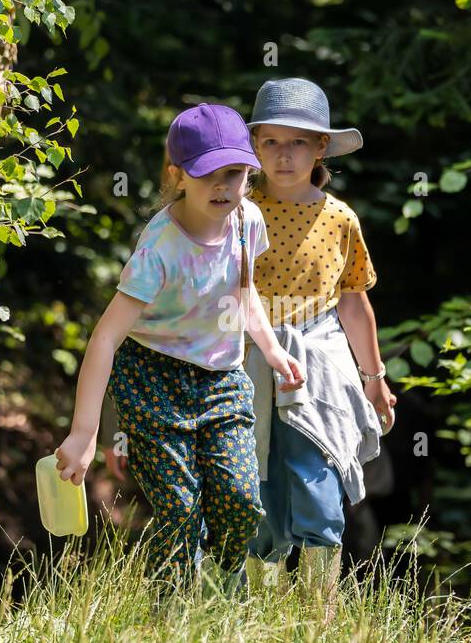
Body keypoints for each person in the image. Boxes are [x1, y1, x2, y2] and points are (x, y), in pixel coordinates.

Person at [53, 103, 304, 596]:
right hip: (152, 378)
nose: (223, 187)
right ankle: (174, 608)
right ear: (178, 175)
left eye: (234, 174)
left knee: (240, 498)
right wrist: (84, 432)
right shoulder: (159, 249)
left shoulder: (247, 221)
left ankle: (219, 588)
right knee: (181, 509)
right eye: (208, 174)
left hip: (222, 378)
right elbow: (106, 337)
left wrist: (272, 351)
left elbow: (244, 292)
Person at [241, 78, 397, 615]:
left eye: (299, 142)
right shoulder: (237, 209)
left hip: (320, 357)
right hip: (250, 353)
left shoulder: (339, 218)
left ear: (321, 148)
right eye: (271, 143)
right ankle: (261, 611)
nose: (284, 156)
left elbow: (353, 301)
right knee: (256, 472)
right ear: (255, 146)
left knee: (316, 469)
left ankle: (317, 613)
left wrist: (374, 382)